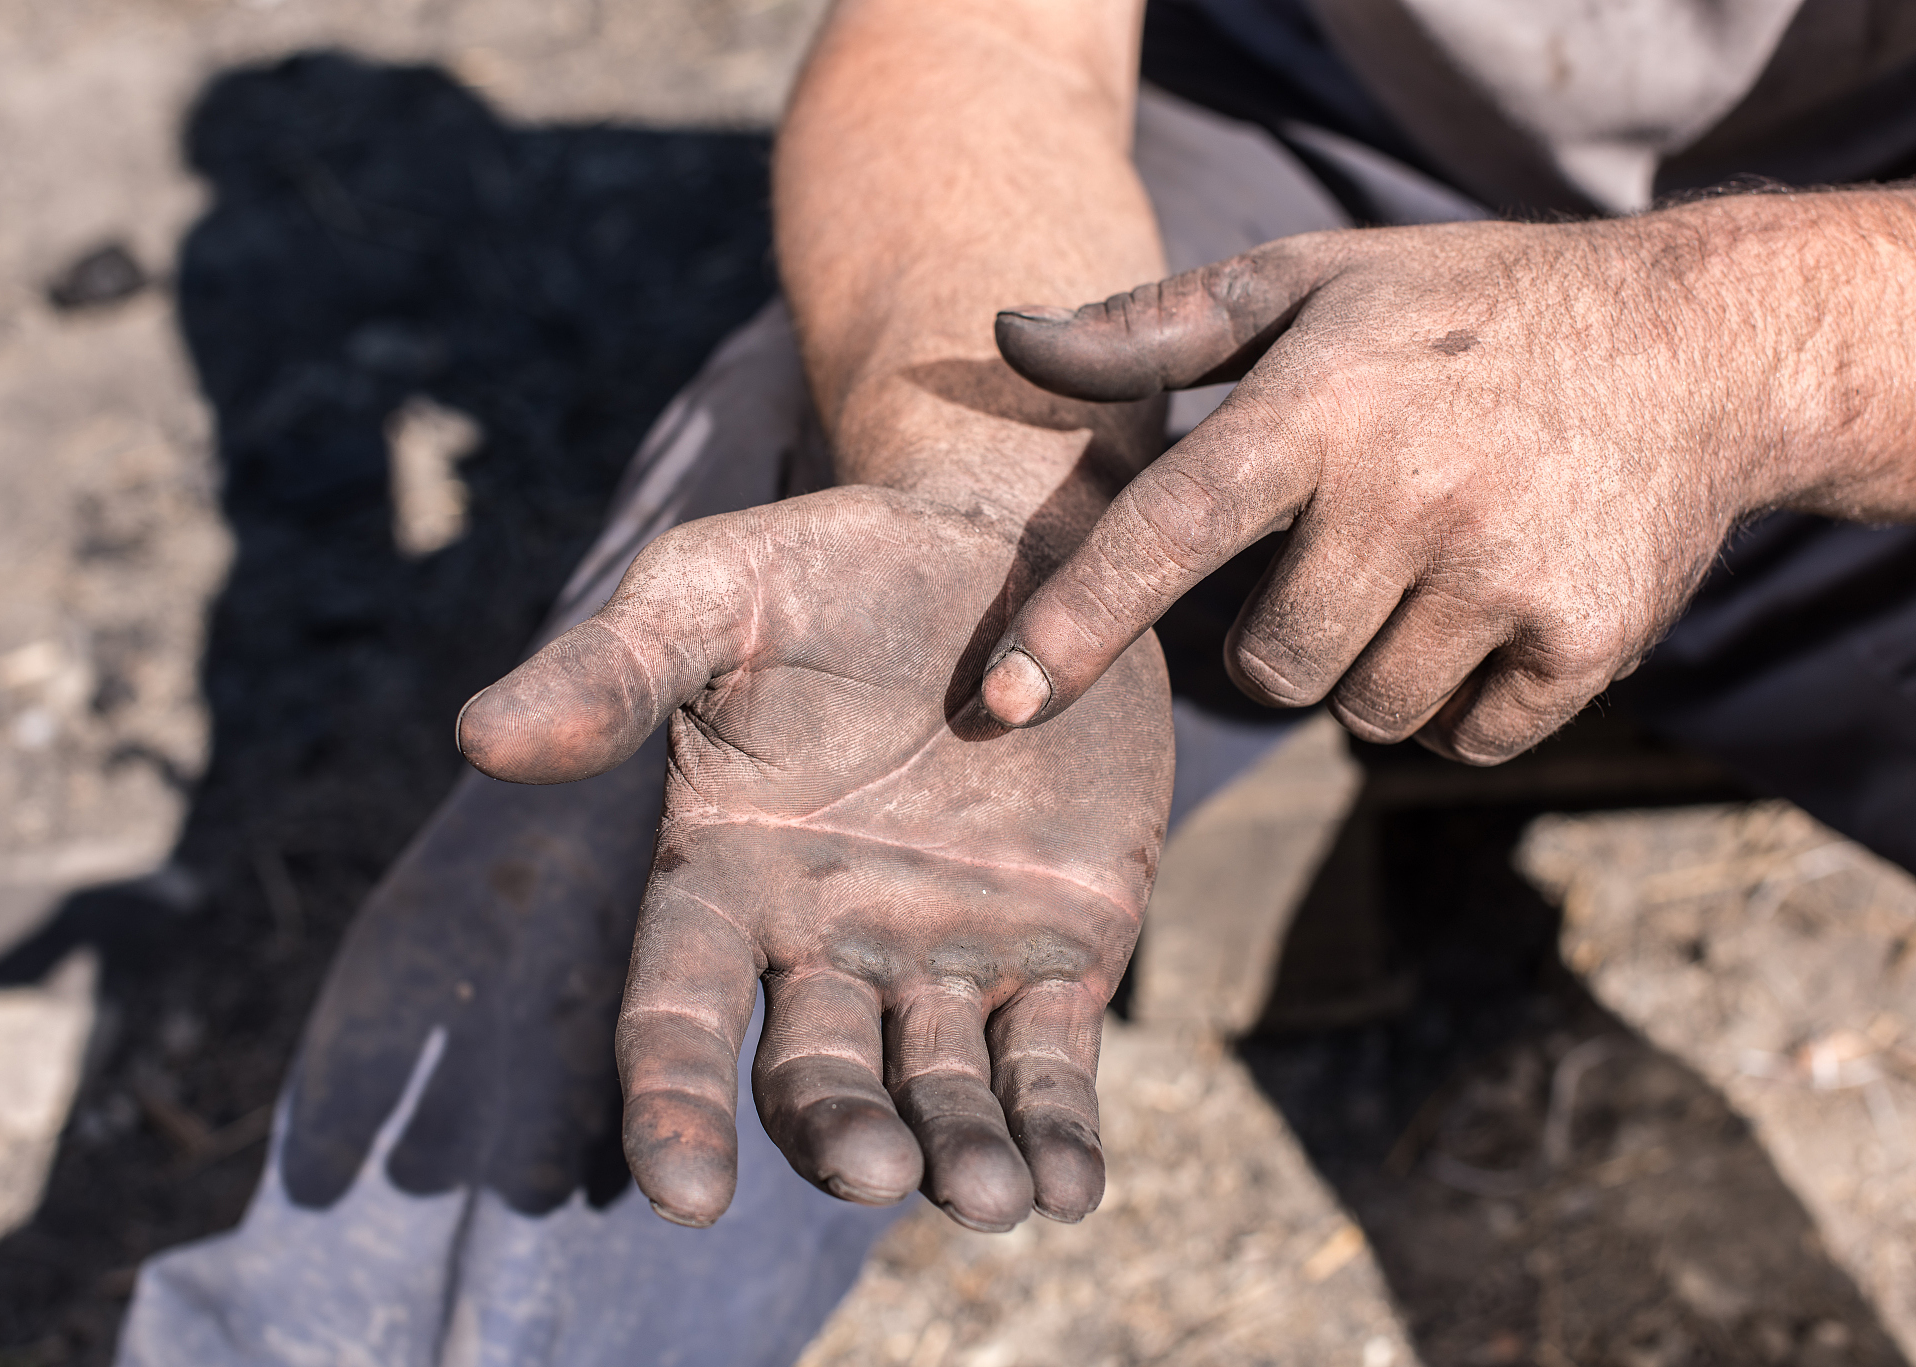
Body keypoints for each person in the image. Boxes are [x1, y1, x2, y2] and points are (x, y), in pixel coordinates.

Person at [119, 1, 1916, 1362]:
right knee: (726, 720)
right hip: (1280, 184)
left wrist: (1713, 342)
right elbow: (977, 39)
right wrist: (981, 505)